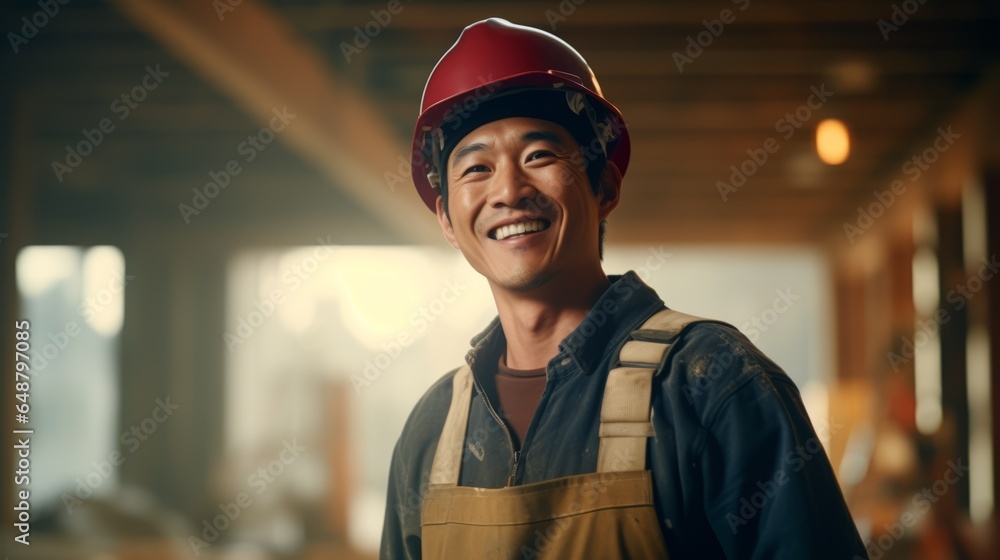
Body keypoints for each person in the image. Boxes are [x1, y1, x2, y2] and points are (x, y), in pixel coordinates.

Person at [381, 17, 867, 559]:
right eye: (475, 168)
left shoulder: (710, 383)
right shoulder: (432, 430)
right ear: (447, 220)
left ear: (606, 186)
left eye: (539, 155)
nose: (509, 190)